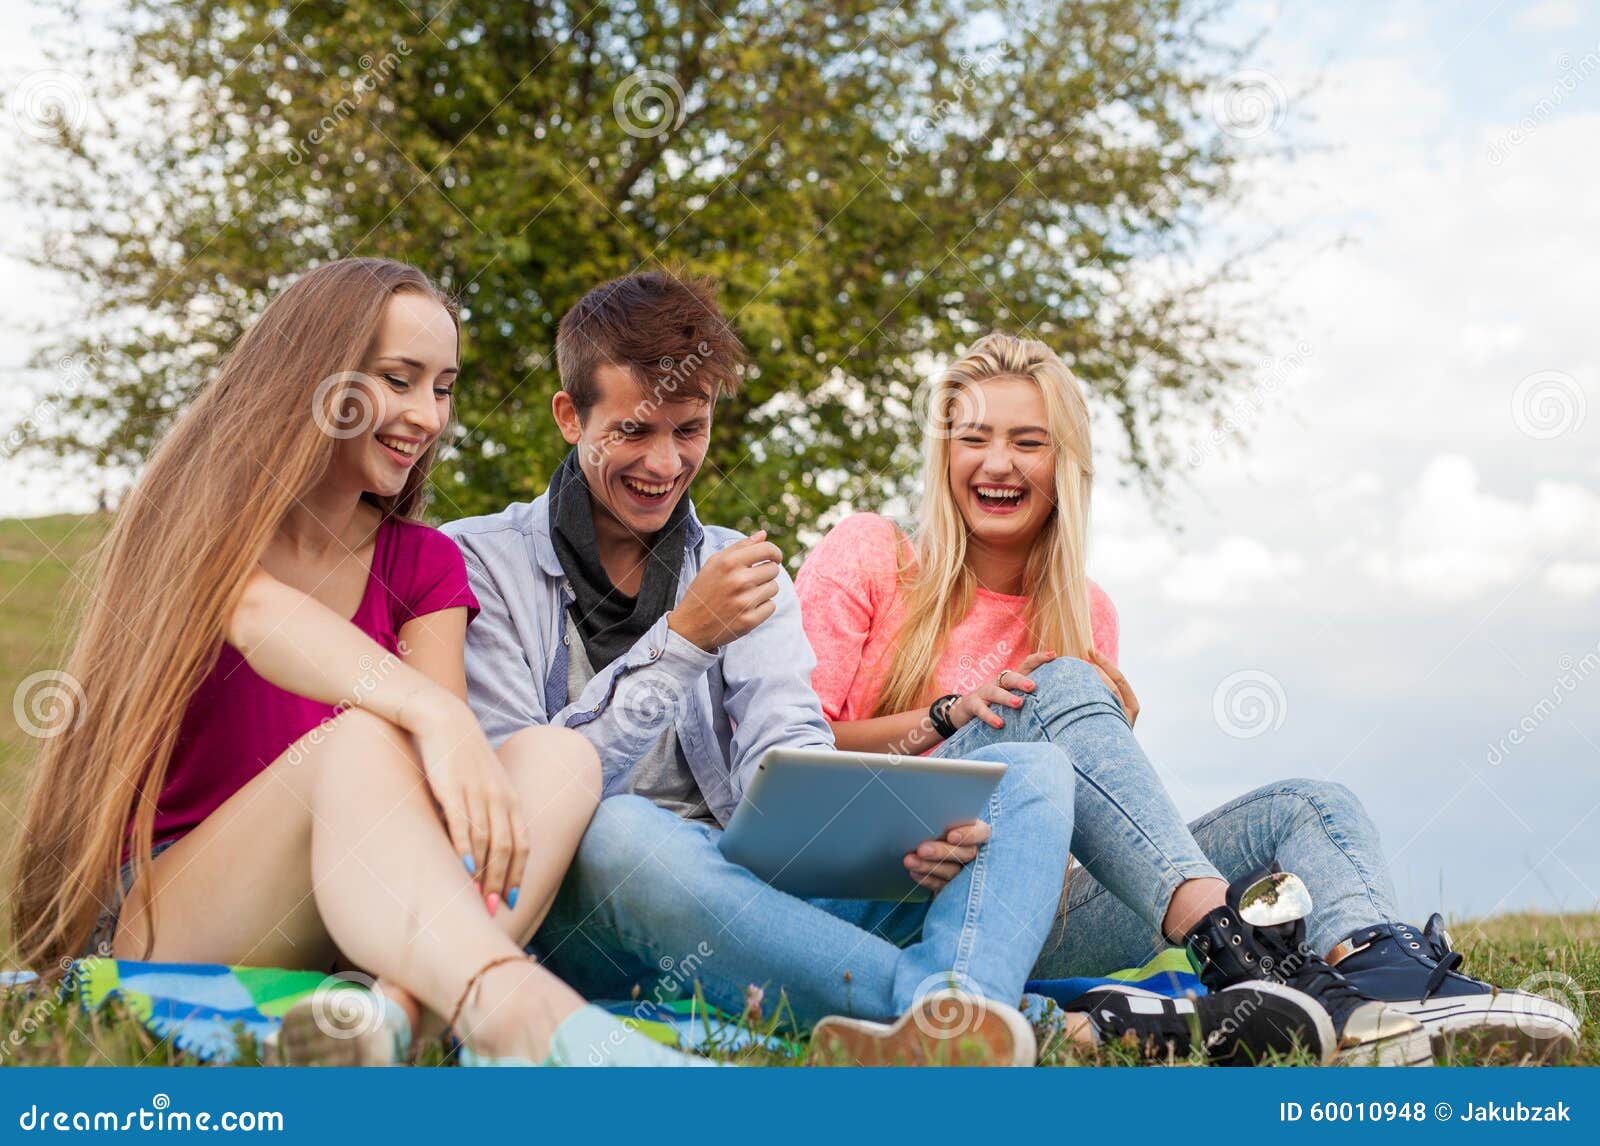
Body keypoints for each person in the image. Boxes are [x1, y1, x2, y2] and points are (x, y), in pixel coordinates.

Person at [443, 271, 1336, 1067]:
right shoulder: (479, 563)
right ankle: (993, 1014)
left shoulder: (740, 566)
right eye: (634, 431)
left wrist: (893, 833)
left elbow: (783, 765)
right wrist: (683, 640)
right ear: (571, 417)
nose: (666, 462)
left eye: (690, 429)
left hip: (760, 904)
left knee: (1032, 769)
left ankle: (956, 1023)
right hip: (591, 904)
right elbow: (513, 804)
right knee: (623, 834)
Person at [793, 331, 1580, 1064]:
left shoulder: (1086, 610)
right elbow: (792, 757)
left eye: (1027, 441)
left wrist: (1091, 750)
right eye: (974, 438)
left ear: (1063, 461)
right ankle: (1228, 943)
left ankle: (1384, 979)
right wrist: (951, 712)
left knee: (1311, 802)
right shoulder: (871, 551)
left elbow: (1066, 838)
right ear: (944, 453)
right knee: (1060, 683)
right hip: (876, 890)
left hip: (1022, 911)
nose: (998, 463)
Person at [7, 258, 713, 1068]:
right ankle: (510, 1006)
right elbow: (265, 619)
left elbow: (449, 797)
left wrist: (440, 729)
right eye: (398, 379)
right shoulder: (198, 520)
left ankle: (392, 1015)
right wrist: (432, 709)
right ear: (317, 377)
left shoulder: (423, 562)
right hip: (173, 919)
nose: (426, 415)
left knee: (558, 754)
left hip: (349, 922)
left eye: (442, 387)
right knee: (363, 735)